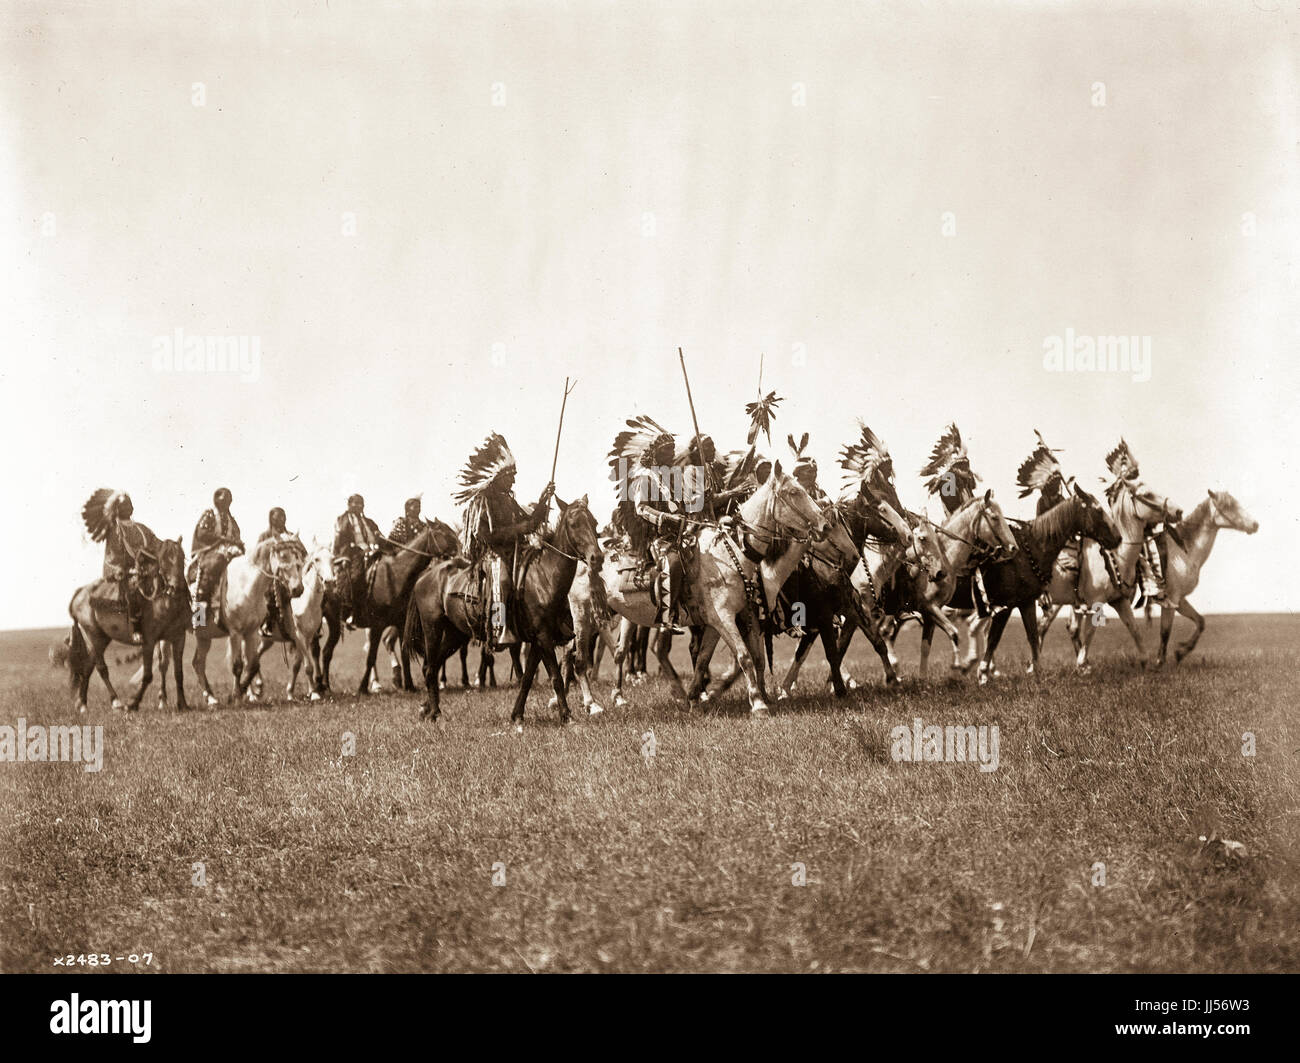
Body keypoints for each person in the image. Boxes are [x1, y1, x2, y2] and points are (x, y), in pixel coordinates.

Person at [455, 434, 554, 646]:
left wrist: (544, 499)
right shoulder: (483, 502)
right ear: (498, 478)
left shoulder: (509, 500)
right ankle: (499, 628)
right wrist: (519, 529)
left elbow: (530, 522)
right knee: (503, 581)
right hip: (493, 555)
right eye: (510, 476)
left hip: (517, 552)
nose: (514, 480)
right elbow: (487, 535)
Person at [81, 489, 155, 644]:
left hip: (145, 571)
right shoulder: (114, 531)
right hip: (125, 573)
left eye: (129, 505)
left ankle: (195, 621)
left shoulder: (142, 529)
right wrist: (124, 569)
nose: (128, 508)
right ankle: (136, 628)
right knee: (134, 588)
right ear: (117, 510)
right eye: (124, 506)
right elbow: (113, 556)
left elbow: (154, 545)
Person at [190, 488, 244, 628]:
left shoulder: (231, 519)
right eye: (224, 501)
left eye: (228, 501)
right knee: (214, 565)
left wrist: (237, 543)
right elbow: (201, 534)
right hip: (209, 551)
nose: (226, 504)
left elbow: (237, 535)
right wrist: (221, 539)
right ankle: (199, 615)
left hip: (229, 552)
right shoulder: (209, 515)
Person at [333, 494, 381, 626]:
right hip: (353, 554)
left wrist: (378, 536)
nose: (360, 506)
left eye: (362, 503)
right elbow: (340, 541)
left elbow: (378, 533)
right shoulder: (342, 520)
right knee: (356, 578)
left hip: (372, 552)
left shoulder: (368, 522)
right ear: (349, 505)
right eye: (357, 503)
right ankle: (352, 611)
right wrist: (345, 557)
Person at [256, 507, 304, 638]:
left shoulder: (291, 536)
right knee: (271, 593)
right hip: (271, 576)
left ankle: (313, 626)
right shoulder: (265, 536)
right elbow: (259, 557)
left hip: (291, 573)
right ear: (271, 519)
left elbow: (303, 553)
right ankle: (268, 623)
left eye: (283, 516)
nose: (281, 519)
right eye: (278, 517)